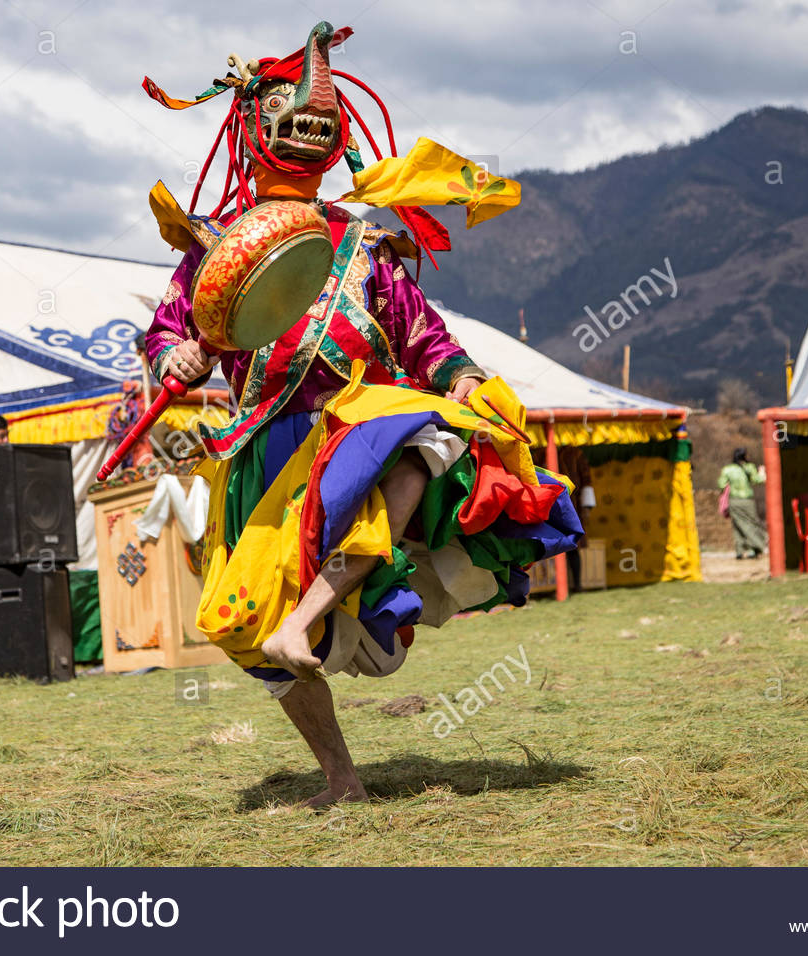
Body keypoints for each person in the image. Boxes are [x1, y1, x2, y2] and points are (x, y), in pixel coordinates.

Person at [142, 22, 581, 807]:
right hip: (263, 454)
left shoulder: (366, 246)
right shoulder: (212, 248)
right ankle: (341, 776)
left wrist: (467, 377)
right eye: (282, 112)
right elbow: (176, 334)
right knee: (244, 630)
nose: (304, 123)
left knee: (423, 434)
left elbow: (425, 341)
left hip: (357, 426)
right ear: (250, 129)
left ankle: (310, 609)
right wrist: (174, 355)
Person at [533, 444, 594, 590]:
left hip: (572, 506)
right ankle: (549, 586)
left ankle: (577, 584)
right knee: (550, 544)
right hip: (547, 506)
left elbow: (586, 480)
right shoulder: (540, 454)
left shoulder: (575, 454)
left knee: (573, 545)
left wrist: (586, 506)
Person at [718, 448, 767, 559]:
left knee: (738, 525)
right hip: (747, 500)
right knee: (751, 524)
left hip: (734, 500)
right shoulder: (749, 468)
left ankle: (740, 551)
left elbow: (721, 484)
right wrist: (762, 472)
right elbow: (758, 480)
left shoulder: (728, 469)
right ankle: (756, 547)